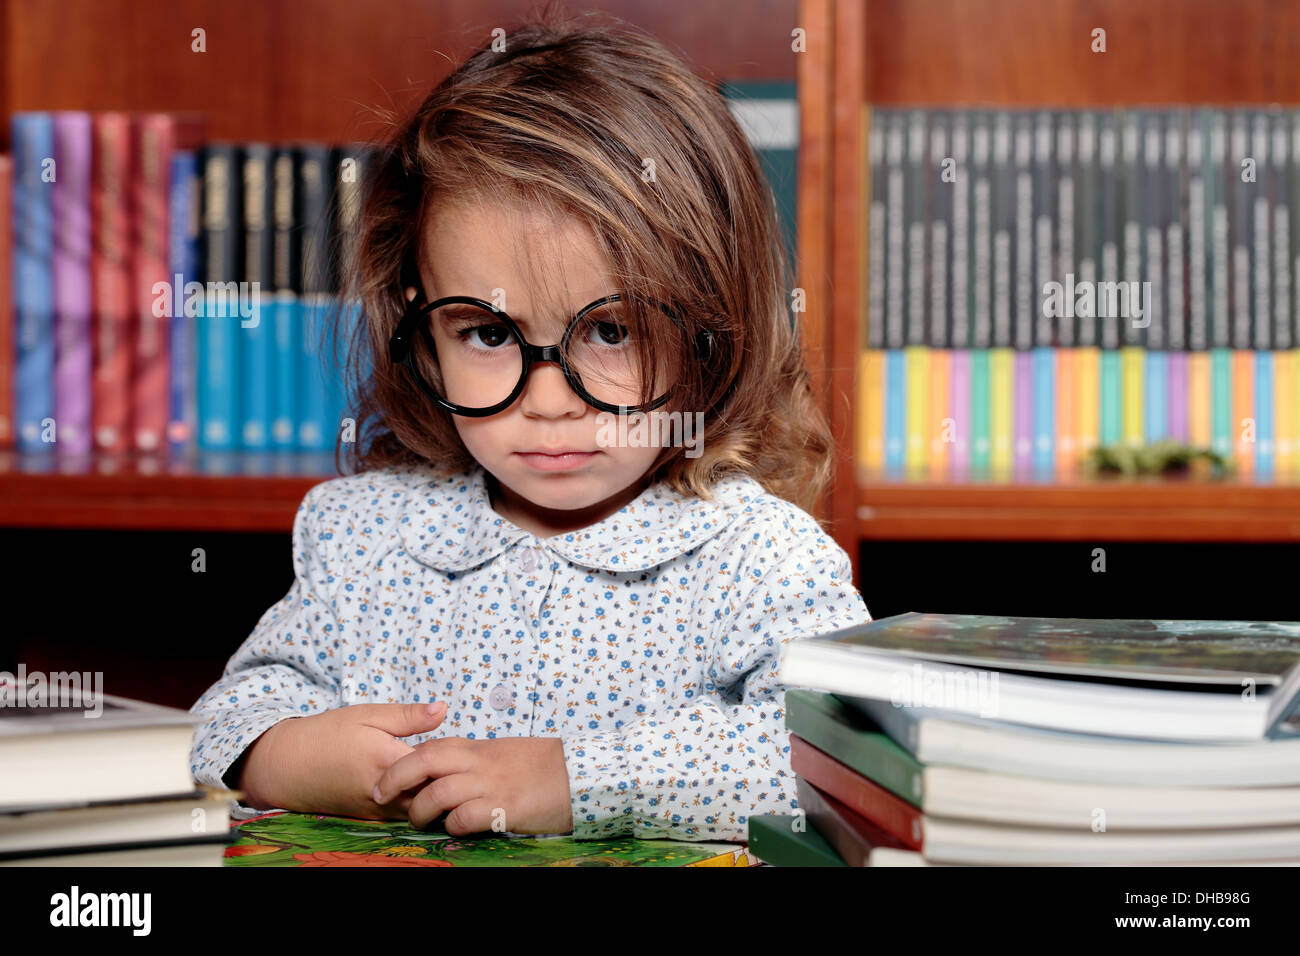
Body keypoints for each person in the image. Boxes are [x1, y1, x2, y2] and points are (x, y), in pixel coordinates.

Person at [189, 7, 871, 843]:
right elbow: (227, 715)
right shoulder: (365, 537)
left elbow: (836, 761)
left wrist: (581, 780)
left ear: (710, 329)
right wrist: (290, 754)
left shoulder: (755, 559)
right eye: (489, 332)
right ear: (422, 330)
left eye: (611, 331)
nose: (548, 399)